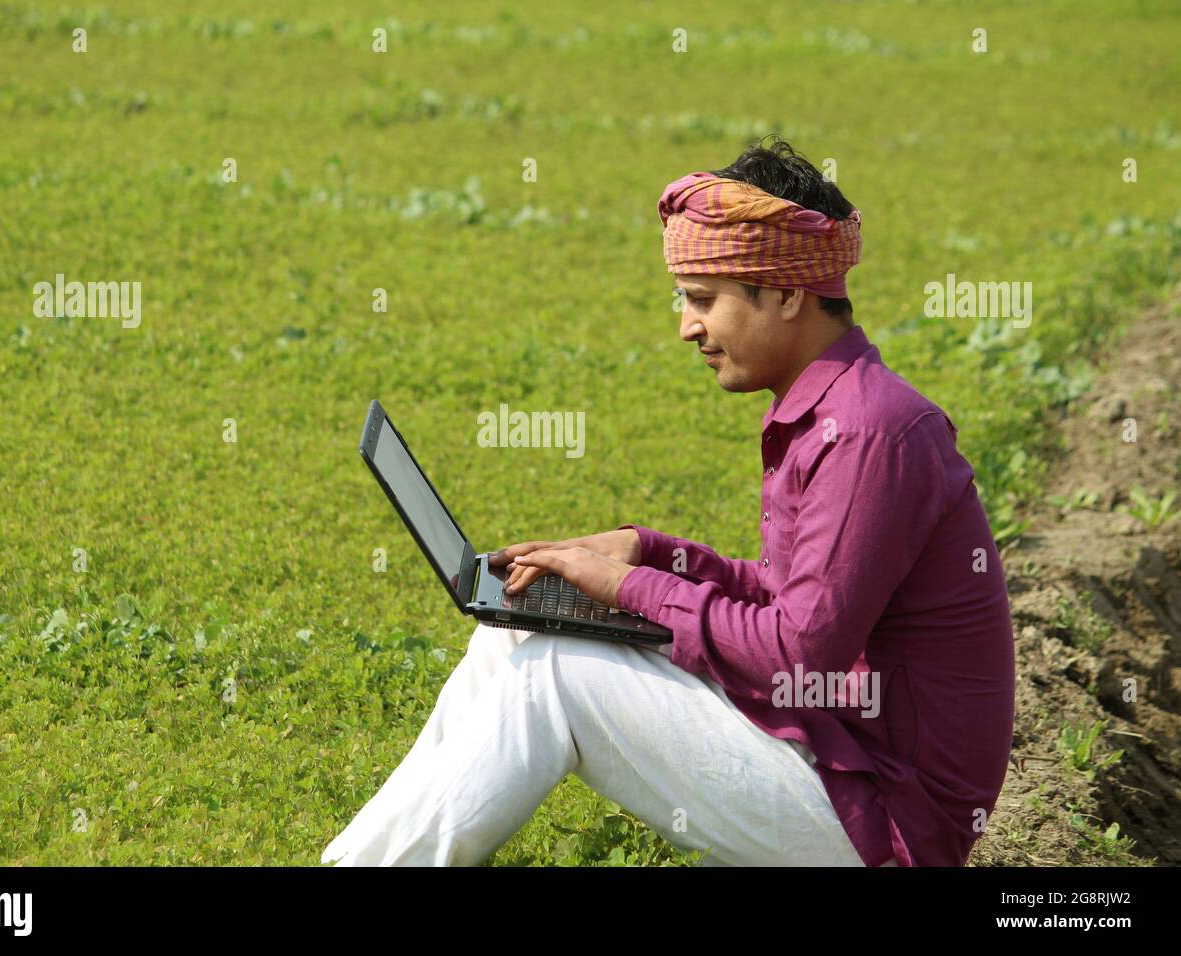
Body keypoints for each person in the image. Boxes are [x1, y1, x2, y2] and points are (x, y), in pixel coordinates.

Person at [321, 136, 1015, 867]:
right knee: (512, 633)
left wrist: (629, 587)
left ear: (784, 293)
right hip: (833, 752)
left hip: (880, 819)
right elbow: (790, 599)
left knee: (557, 675)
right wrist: (648, 553)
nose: (687, 327)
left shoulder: (872, 433)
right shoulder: (835, 411)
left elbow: (796, 650)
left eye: (703, 300)